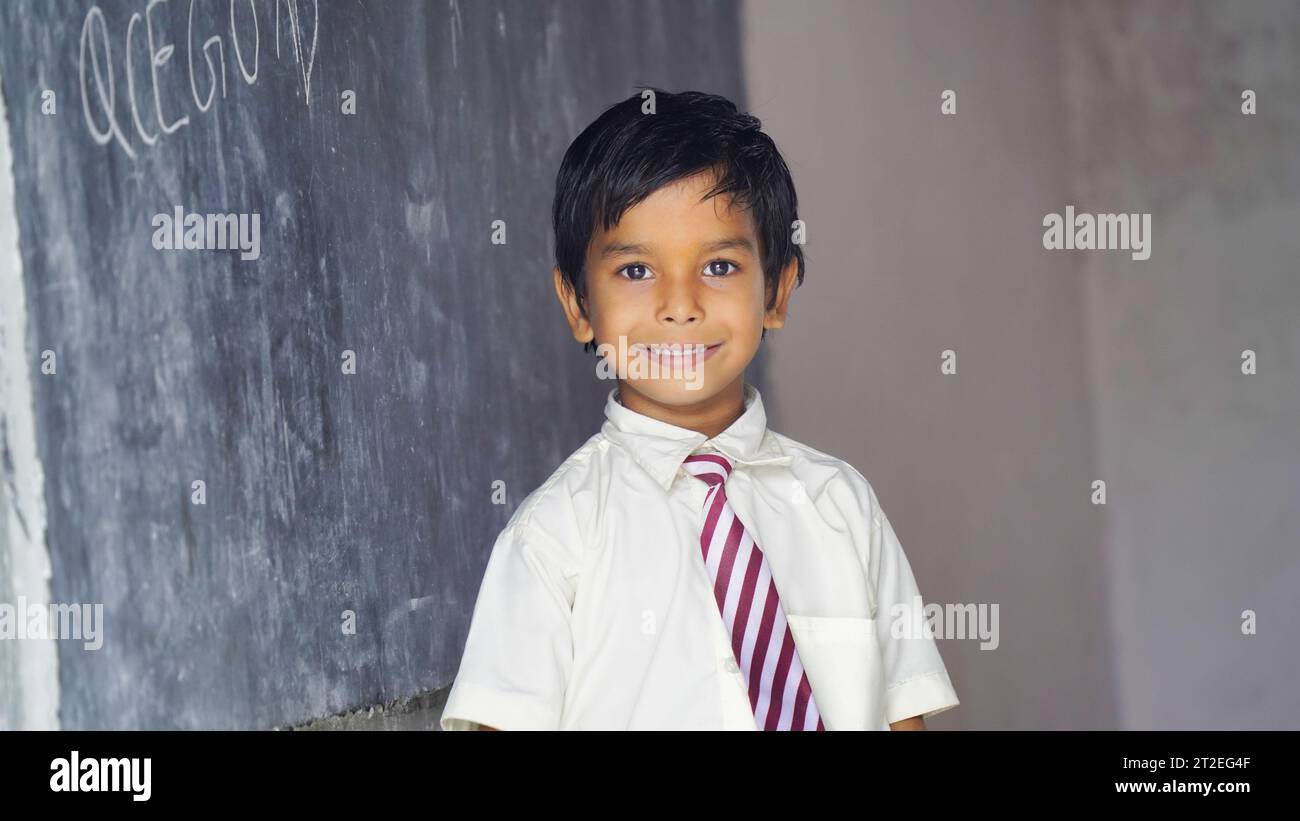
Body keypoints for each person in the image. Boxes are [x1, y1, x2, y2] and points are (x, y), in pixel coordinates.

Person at [440, 88, 958, 731]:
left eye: (718, 265)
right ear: (577, 304)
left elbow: (899, 712)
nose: (679, 304)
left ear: (778, 290)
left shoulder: (842, 506)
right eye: (635, 271)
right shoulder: (556, 534)